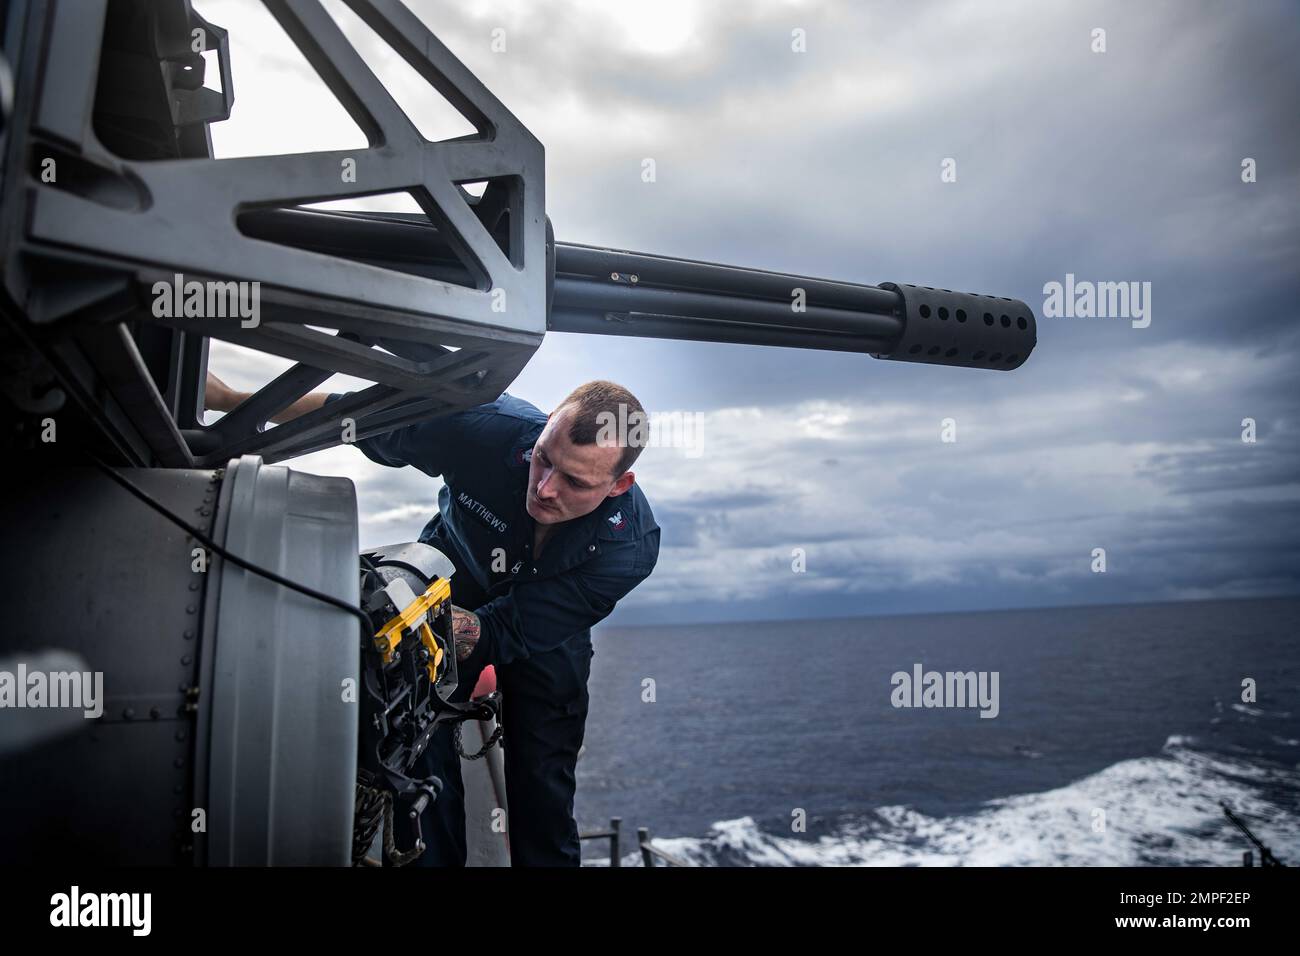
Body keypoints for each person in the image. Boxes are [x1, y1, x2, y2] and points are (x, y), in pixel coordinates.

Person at [205, 374, 660, 866]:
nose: (546, 489)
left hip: (541, 625)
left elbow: (506, 630)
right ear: (547, 426)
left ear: (619, 485)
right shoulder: (482, 429)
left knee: (544, 782)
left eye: (575, 482)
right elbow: (357, 415)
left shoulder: (627, 549)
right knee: (417, 746)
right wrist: (231, 400)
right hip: (452, 574)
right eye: (544, 460)